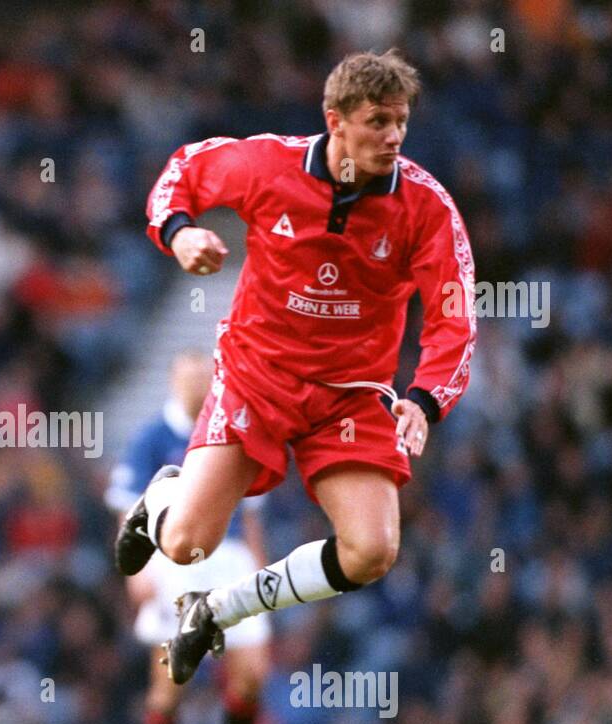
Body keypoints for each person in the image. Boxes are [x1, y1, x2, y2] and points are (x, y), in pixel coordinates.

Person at [116, 50, 475, 684]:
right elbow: (183, 172)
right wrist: (178, 233)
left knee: (372, 551)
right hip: (258, 375)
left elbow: (453, 315)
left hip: (353, 395)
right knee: (184, 545)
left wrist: (424, 399)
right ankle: (162, 497)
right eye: (376, 121)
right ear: (334, 120)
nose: (392, 136)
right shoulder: (268, 164)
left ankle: (220, 610)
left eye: (401, 122)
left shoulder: (426, 206)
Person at [108, 352, 270, 724]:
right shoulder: (151, 438)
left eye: (205, 375)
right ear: (172, 380)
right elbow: (130, 507)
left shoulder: (231, 431)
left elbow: (251, 509)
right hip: (175, 560)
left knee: (252, 675)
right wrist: (137, 570)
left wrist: (259, 565)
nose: (197, 383)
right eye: (189, 375)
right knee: (171, 681)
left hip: (231, 557)